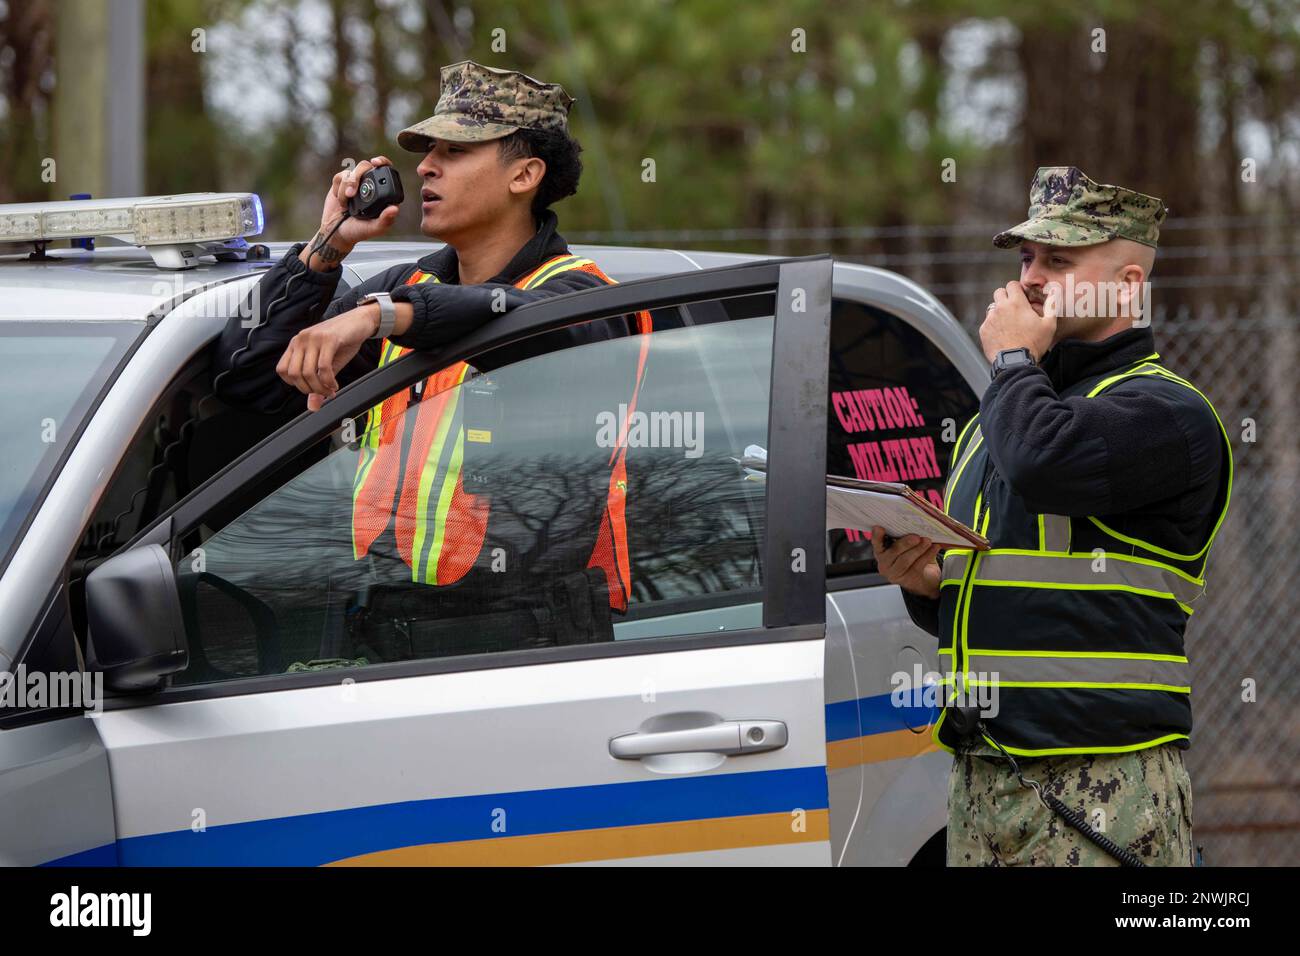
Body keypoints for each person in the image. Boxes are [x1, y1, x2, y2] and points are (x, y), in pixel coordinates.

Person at [873, 166, 1233, 866]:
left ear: (1129, 284)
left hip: (1101, 790)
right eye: (1027, 257)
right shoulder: (1002, 419)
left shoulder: (1167, 412)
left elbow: (1047, 464)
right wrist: (930, 588)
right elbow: (1028, 581)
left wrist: (1013, 358)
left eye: (1060, 260)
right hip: (984, 781)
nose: (1032, 277)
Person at [211, 59, 650, 632]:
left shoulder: (581, 296)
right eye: (427, 152)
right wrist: (326, 248)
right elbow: (249, 375)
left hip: (531, 646)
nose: (425, 168)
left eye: (455, 152)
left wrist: (376, 318)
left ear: (525, 176)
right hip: (385, 626)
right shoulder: (407, 291)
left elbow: (520, 321)